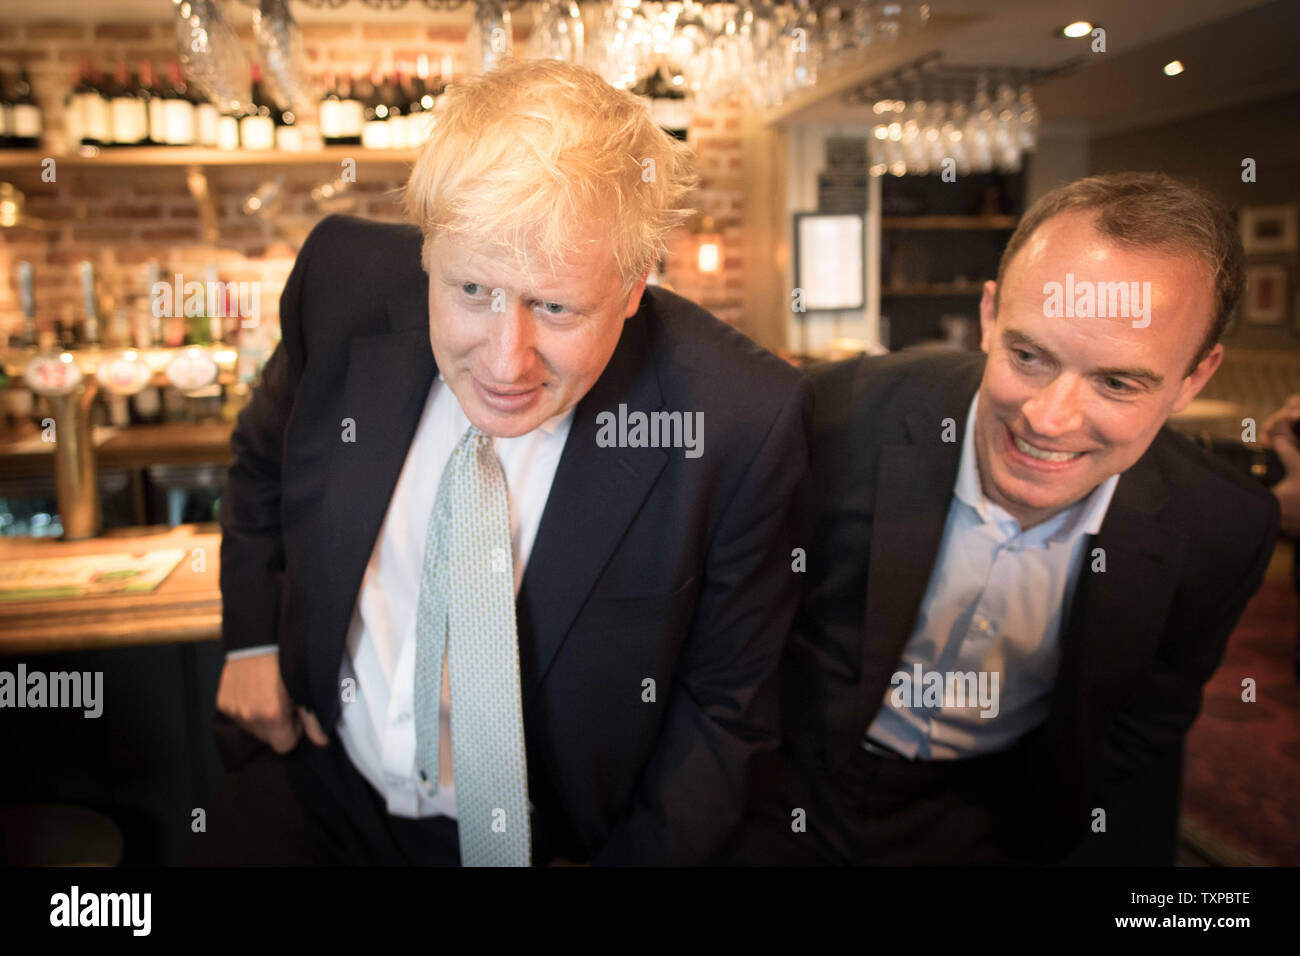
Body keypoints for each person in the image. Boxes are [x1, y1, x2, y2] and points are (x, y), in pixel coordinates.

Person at [191, 58, 813, 867]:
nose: (505, 361)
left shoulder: (741, 419)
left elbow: (725, 716)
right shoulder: (340, 281)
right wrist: (250, 644)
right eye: (471, 290)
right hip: (313, 789)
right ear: (430, 251)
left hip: (540, 842)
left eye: (555, 307)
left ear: (633, 285)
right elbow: (260, 465)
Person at [730, 171, 1280, 865]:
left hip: (1001, 814)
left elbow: (1144, 722)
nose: (1048, 419)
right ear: (989, 316)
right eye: (1028, 355)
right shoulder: (836, 416)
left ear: (1195, 377)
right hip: (793, 784)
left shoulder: (1225, 526)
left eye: (1116, 382)